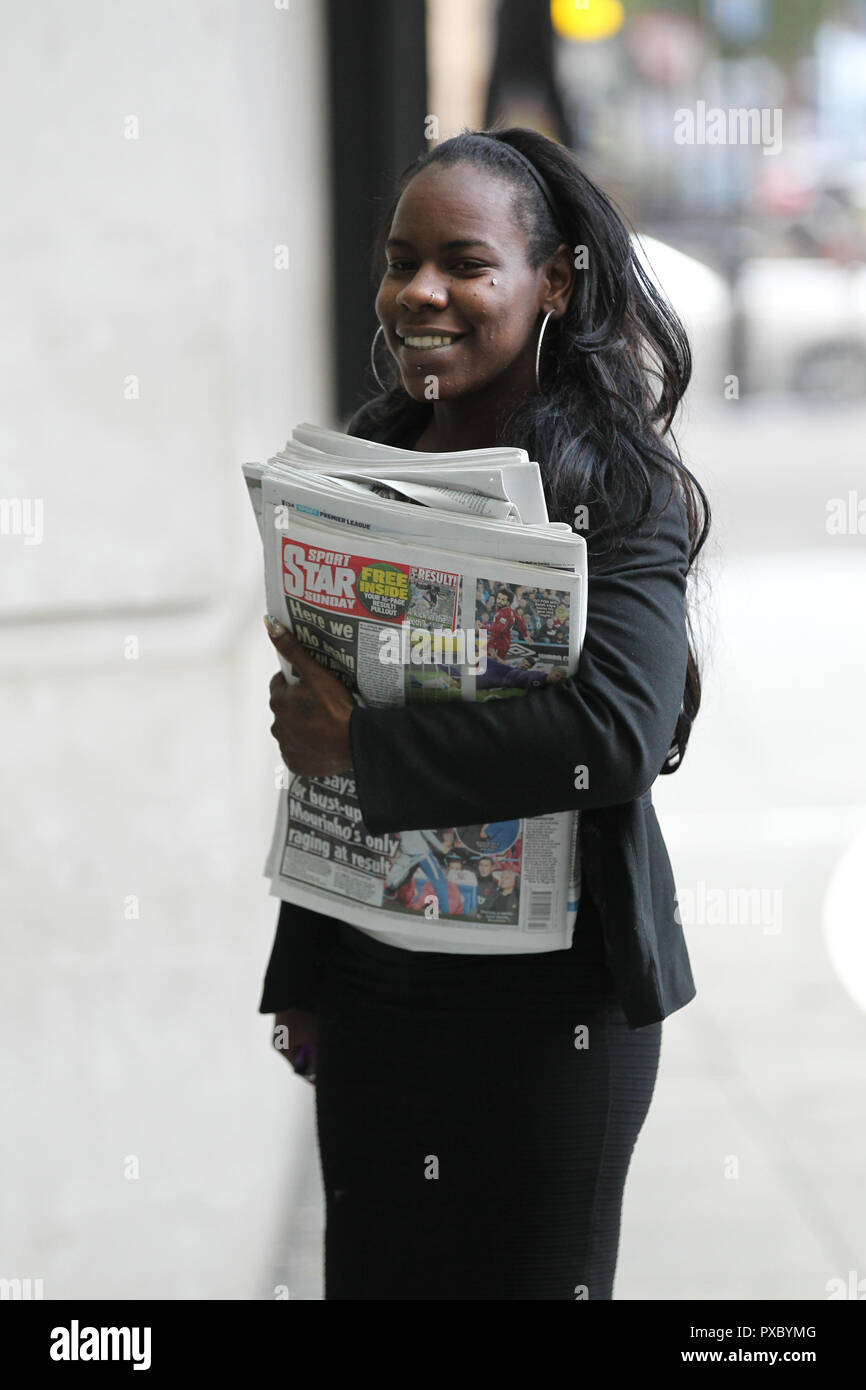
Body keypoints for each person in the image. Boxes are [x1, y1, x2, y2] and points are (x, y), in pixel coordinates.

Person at [260, 127, 710, 1300]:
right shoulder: (362, 458)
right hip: (373, 987)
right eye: (402, 259)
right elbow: (320, 726)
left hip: (553, 1010)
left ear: (551, 281)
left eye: (465, 262)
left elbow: (612, 736)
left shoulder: (615, 486)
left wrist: (355, 742)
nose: (420, 291)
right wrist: (301, 971)